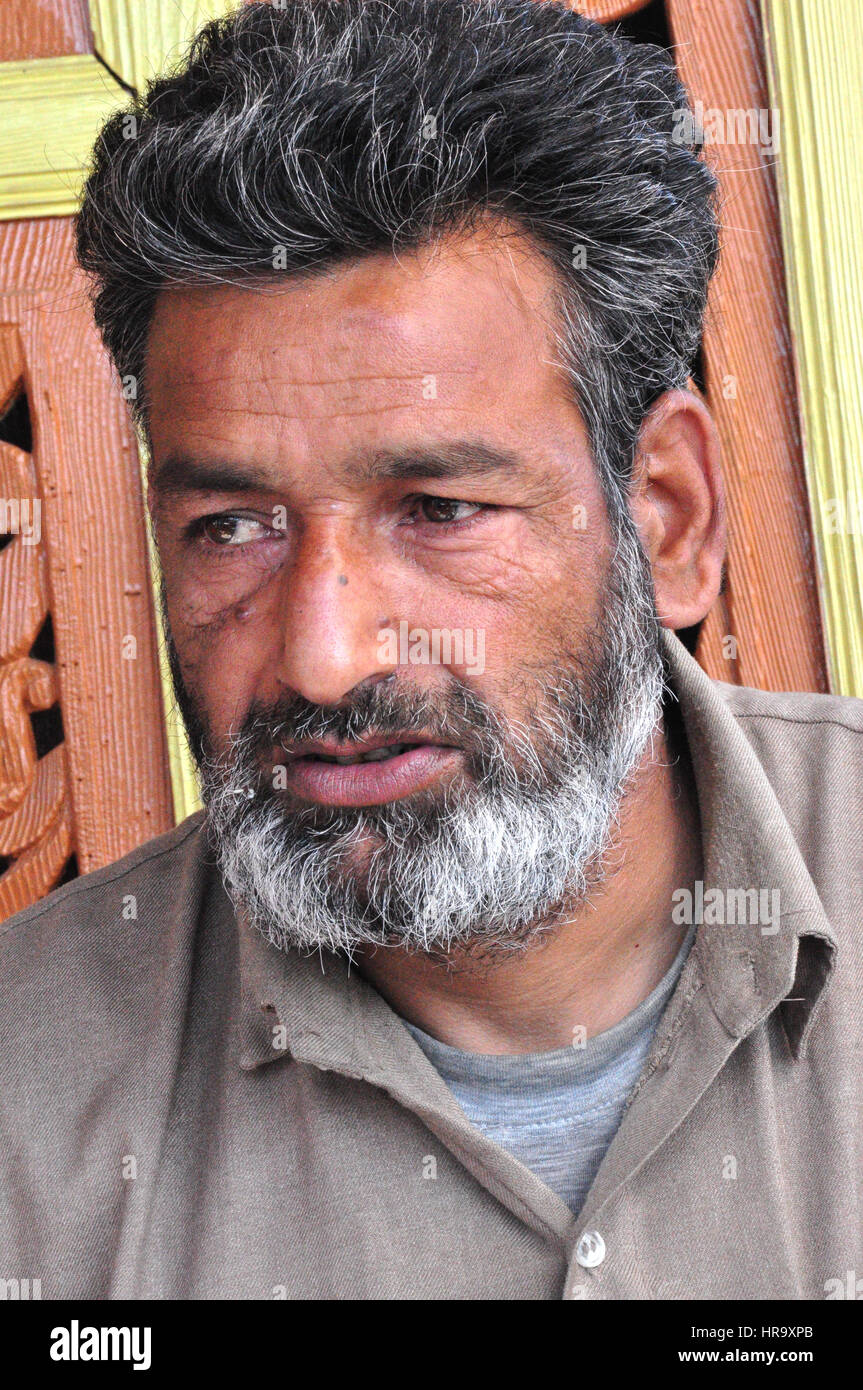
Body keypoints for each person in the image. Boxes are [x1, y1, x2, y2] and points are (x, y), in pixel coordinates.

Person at [1, 0, 860, 1300]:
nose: (324, 656)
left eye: (441, 513)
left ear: (667, 516)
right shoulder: (29, 1097)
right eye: (232, 525)